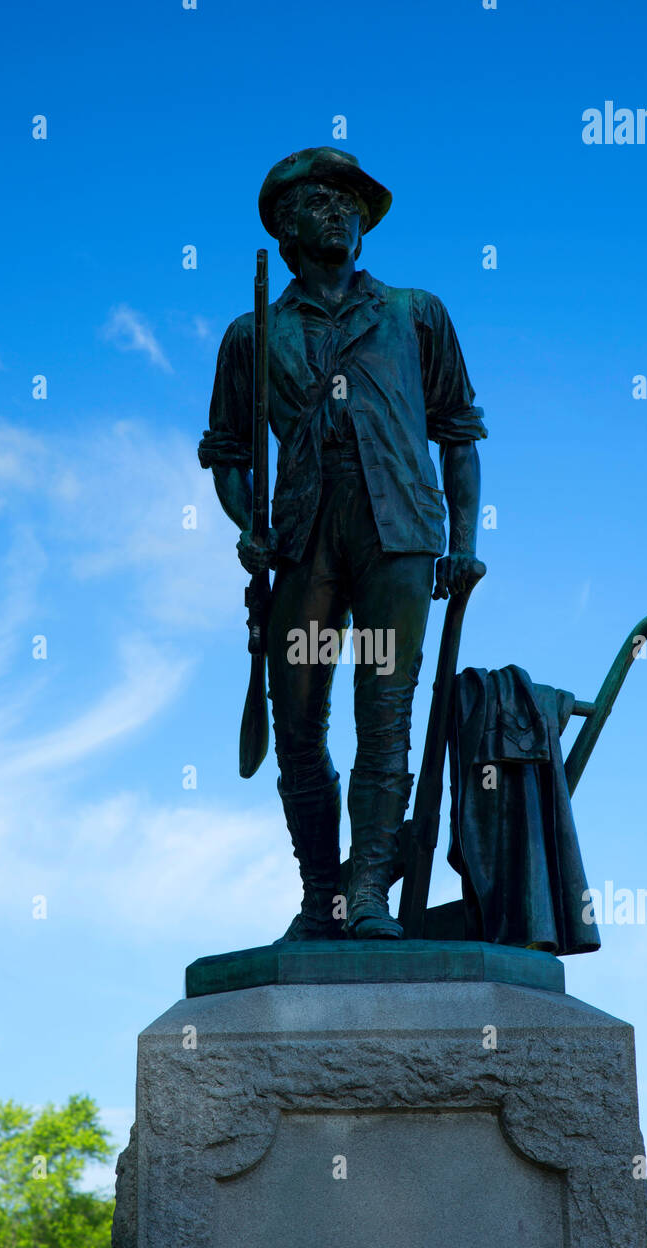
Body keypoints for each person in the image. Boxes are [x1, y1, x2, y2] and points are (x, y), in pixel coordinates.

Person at [199, 147, 486, 940]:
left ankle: (368, 893)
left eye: (349, 203)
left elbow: (458, 434)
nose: (340, 213)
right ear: (287, 230)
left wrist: (462, 544)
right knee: (297, 725)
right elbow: (227, 453)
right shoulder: (251, 335)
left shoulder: (415, 313)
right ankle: (321, 893)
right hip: (302, 542)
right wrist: (248, 527)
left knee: (385, 714)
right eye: (321, 202)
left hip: (397, 534)